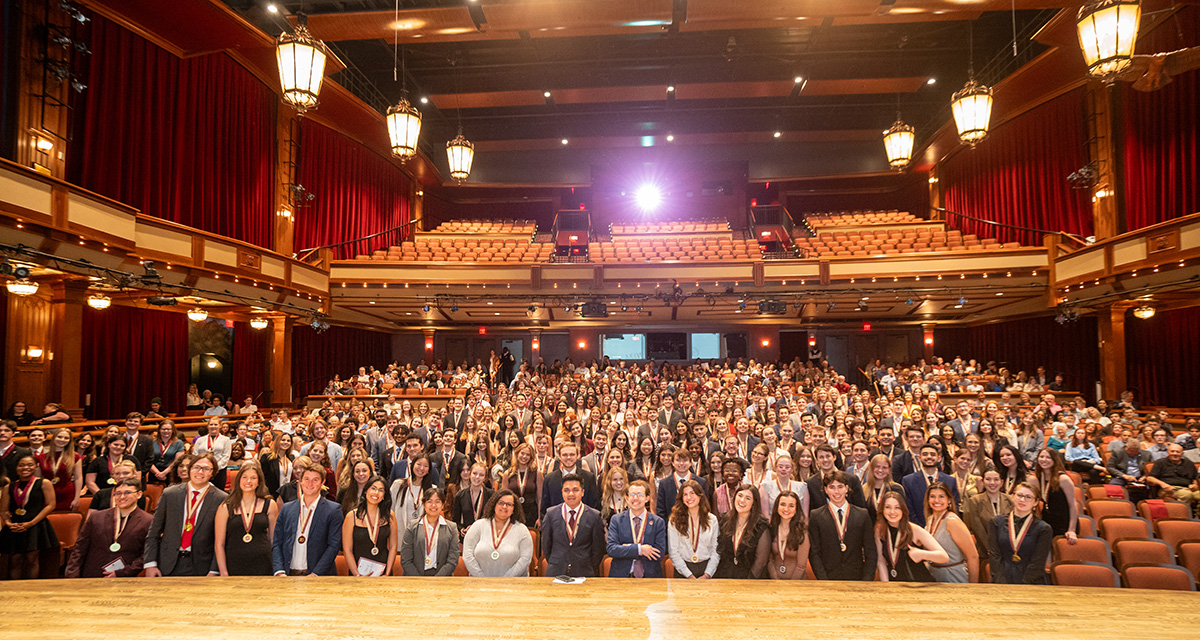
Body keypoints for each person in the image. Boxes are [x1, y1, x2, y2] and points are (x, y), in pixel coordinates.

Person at [65, 478, 152, 578]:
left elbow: (146, 554)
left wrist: (122, 573)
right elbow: (79, 548)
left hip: (126, 579)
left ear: (139, 494)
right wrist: (72, 576)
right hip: (92, 577)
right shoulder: (96, 517)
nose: (122, 497)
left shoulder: (148, 521)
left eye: (127, 492)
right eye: (118, 493)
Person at [271, 462, 343, 576]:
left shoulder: (333, 510)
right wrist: (279, 571)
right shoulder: (287, 508)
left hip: (318, 577)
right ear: (300, 481)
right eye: (307, 479)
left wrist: (316, 574)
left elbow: (333, 546)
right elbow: (277, 543)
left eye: (315, 480)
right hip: (288, 576)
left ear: (322, 482)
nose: (310, 483)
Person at [808, 470, 877, 581]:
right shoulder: (816, 516)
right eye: (832, 487)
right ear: (826, 490)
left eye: (840, 487)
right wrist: (823, 580)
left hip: (857, 578)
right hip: (828, 578)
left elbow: (871, 551)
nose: (836, 492)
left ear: (846, 488)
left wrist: (867, 580)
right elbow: (814, 553)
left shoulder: (862, 514)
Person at [0, 453, 58, 579]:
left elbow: (50, 505)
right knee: (14, 559)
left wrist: (31, 523)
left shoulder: (44, 483)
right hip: (14, 527)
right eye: (21, 465)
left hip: (36, 525)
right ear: (16, 468)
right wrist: (9, 523)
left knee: (32, 559)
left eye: (29, 465)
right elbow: (3, 510)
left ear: (36, 467)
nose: (25, 468)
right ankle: (15, 591)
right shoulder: (8, 486)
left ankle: (32, 589)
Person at [215, 463, 278, 576]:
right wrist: (223, 572)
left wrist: (276, 568)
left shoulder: (270, 505)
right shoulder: (225, 507)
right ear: (238, 480)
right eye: (244, 477)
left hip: (263, 565)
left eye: (253, 478)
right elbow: (219, 544)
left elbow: (273, 541)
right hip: (233, 565)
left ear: (259, 482)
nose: (248, 481)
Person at [874, 491, 948, 582]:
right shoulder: (879, 530)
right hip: (895, 585)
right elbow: (881, 561)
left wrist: (921, 554)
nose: (892, 512)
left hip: (919, 585)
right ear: (882, 510)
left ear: (903, 510)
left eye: (897, 507)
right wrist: (887, 585)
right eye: (888, 507)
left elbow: (944, 556)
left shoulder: (914, 530)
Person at [541, 474, 606, 577]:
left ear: (582, 492)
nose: (571, 493)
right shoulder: (550, 514)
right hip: (556, 571)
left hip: (584, 571)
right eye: (566, 490)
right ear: (562, 492)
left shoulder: (594, 516)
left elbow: (598, 549)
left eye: (575, 490)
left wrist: (587, 565)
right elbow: (546, 545)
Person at [988, 482, 1052, 584]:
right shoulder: (996, 522)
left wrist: (1022, 586)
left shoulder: (1043, 529)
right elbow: (995, 555)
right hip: (1002, 579)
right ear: (1013, 496)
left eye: (1028, 497)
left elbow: (1037, 563)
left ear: (1035, 502)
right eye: (1019, 495)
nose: (1022, 500)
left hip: (1031, 581)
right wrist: (1001, 582)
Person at [462, 489, 534, 577]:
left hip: (513, 585)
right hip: (479, 584)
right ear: (494, 505)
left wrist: (505, 580)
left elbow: (525, 559)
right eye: (501, 503)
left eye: (509, 504)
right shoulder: (478, 525)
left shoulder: (522, 530)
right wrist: (482, 578)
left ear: (514, 509)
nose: (504, 507)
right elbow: (467, 555)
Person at [606, 479, 667, 578]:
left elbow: (659, 553)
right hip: (622, 577)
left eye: (640, 495)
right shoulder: (616, 520)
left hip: (650, 577)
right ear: (627, 498)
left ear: (647, 498)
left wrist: (626, 548)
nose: (635, 498)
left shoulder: (657, 522)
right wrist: (640, 549)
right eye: (632, 494)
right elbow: (612, 549)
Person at [342, 475, 398, 576]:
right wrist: (357, 575)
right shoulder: (352, 516)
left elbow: (393, 546)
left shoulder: (390, 515)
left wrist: (388, 573)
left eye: (381, 490)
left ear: (384, 495)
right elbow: (347, 550)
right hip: (358, 574)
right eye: (373, 488)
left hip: (383, 574)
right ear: (366, 491)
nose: (376, 493)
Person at [923, 482, 979, 583]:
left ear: (949, 500)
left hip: (953, 577)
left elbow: (973, 556)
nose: (936, 500)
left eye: (941, 496)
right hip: (933, 577)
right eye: (932, 496)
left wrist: (973, 588)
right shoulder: (930, 519)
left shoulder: (952, 521)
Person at [399, 487, 459, 576]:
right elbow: (406, 559)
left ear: (442, 505)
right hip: (414, 577)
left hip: (442, 579)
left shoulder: (451, 528)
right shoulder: (412, 526)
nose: (433, 505)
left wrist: (436, 580)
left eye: (437, 502)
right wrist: (420, 580)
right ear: (423, 504)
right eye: (429, 501)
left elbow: (452, 560)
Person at [667, 479, 720, 579]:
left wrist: (707, 574)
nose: (689, 497)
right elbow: (673, 552)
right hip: (683, 571)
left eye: (692, 493)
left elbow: (716, 550)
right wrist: (689, 575)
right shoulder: (674, 520)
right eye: (685, 494)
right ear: (681, 498)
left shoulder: (712, 519)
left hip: (707, 569)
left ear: (700, 495)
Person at [714, 483, 767, 578]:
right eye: (740, 495)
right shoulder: (726, 520)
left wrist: (746, 583)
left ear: (754, 503)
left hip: (749, 580)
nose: (742, 500)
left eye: (748, 498)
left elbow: (760, 563)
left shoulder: (761, 526)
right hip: (725, 577)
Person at [900, 443, 959, 527]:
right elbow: (909, 509)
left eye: (933, 454)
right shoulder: (908, 480)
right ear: (919, 458)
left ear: (939, 458)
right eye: (925, 454)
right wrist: (922, 530)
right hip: (918, 529)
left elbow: (954, 507)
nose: (929, 457)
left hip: (945, 528)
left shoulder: (950, 480)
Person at [754, 490, 810, 580]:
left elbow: (801, 566)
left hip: (797, 584)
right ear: (777, 506)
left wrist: (789, 586)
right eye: (783, 504)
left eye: (791, 506)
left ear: (796, 509)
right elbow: (769, 559)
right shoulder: (771, 528)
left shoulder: (802, 531)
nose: (786, 509)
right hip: (774, 583)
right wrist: (776, 580)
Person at [962, 470, 1014, 559]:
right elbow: (977, 528)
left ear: (1001, 482)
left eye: (996, 479)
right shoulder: (975, 501)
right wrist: (991, 550)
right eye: (988, 479)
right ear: (983, 482)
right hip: (985, 551)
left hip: (1009, 549)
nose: (992, 483)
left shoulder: (1010, 499)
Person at [540, 443, 600, 518]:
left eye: (572, 454)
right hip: (557, 525)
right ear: (559, 457)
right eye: (565, 455)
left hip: (583, 525)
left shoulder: (589, 478)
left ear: (577, 456)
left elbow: (594, 505)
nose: (568, 457)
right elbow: (544, 509)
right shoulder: (549, 479)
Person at [1032, 448, 1079, 542]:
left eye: (1048, 457)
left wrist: (1071, 530)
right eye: (1041, 457)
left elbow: (1072, 505)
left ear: (1054, 460)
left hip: (1064, 522)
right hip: (1048, 520)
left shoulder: (1063, 479)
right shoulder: (1039, 477)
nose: (1044, 459)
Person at [37, 427, 83, 511]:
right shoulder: (41, 457)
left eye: (66, 438)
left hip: (67, 494)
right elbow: (37, 479)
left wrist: (77, 498)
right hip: (46, 495)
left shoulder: (75, 456)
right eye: (59, 437)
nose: (62, 440)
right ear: (54, 438)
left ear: (69, 441)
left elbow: (78, 478)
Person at [655, 447, 707, 520]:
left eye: (685, 460)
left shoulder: (701, 482)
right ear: (672, 463)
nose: (681, 463)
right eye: (678, 460)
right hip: (672, 526)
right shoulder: (664, 484)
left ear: (690, 463)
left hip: (696, 525)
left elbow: (704, 507)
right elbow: (661, 511)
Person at [1146, 443, 1199, 512]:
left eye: (1178, 452)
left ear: (1182, 454)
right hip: (1168, 488)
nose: (1175, 454)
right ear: (1168, 453)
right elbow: (1150, 478)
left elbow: (1194, 478)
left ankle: (1196, 518)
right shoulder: (1161, 462)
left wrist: (1195, 485)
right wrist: (1162, 484)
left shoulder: (1189, 463)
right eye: (1172, 451)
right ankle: (1180, 517)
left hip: (1187, 488)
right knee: (1186, 495)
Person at [500, 443, 540, 527]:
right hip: (513, 512)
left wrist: (540, 517)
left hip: (531, 513)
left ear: (531, 457)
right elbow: (503, 498)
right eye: (522, 453)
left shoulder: (537, 473)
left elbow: (540, 498)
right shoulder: (508, 473)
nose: (524, 456)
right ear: (517, 454)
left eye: (528, 454)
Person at [452, 462, 494, 539]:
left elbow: (493, 518)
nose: (477, 477)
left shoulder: (491, 495)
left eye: (481, 475)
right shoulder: (460, 495)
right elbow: (455, 521)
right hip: (467, 537)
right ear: (470, 474)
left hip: (485, 537)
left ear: (485, 478)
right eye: (474, 473)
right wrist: (462, 529)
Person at [759, 453, 808, 518]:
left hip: (796, 526)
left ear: (792, 469)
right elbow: (765, 515)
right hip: (773, 525)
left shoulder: (802, 487)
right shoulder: (765, 487)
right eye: (780, 466)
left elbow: (805, 516)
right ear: (775, 468)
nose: (783, 469)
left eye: (787, 467)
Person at [193, 417, 233, 491]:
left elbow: (226, 456)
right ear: (208, 426)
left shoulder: (226, 440)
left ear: (220, 426)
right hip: (202, 471)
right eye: (211, 424)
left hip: (219, 471)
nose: (213, 426)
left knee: (218, 494)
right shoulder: (200, 440)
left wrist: (214, 468)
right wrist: (202, 467)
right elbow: (195, 454)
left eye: (215, 424)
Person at [862, 453, 904, 524]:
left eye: (884, 467)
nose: (880, 470)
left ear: (889, 470)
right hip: (869, 531)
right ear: (871, 468)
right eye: (877, 467)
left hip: (891, 529)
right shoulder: (864, 489)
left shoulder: (896, 489)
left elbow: (902, 513)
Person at [147, 421, 186, 486]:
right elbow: (148, 460)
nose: (166, 431)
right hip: (154, 473)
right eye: (163, 429)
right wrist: (158, 473)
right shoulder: (151, 442)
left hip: (172, 473)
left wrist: (164, 473)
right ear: (159, 430)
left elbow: (177, 461)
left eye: (168, 429)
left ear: (173, 430)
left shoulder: (179, 443)